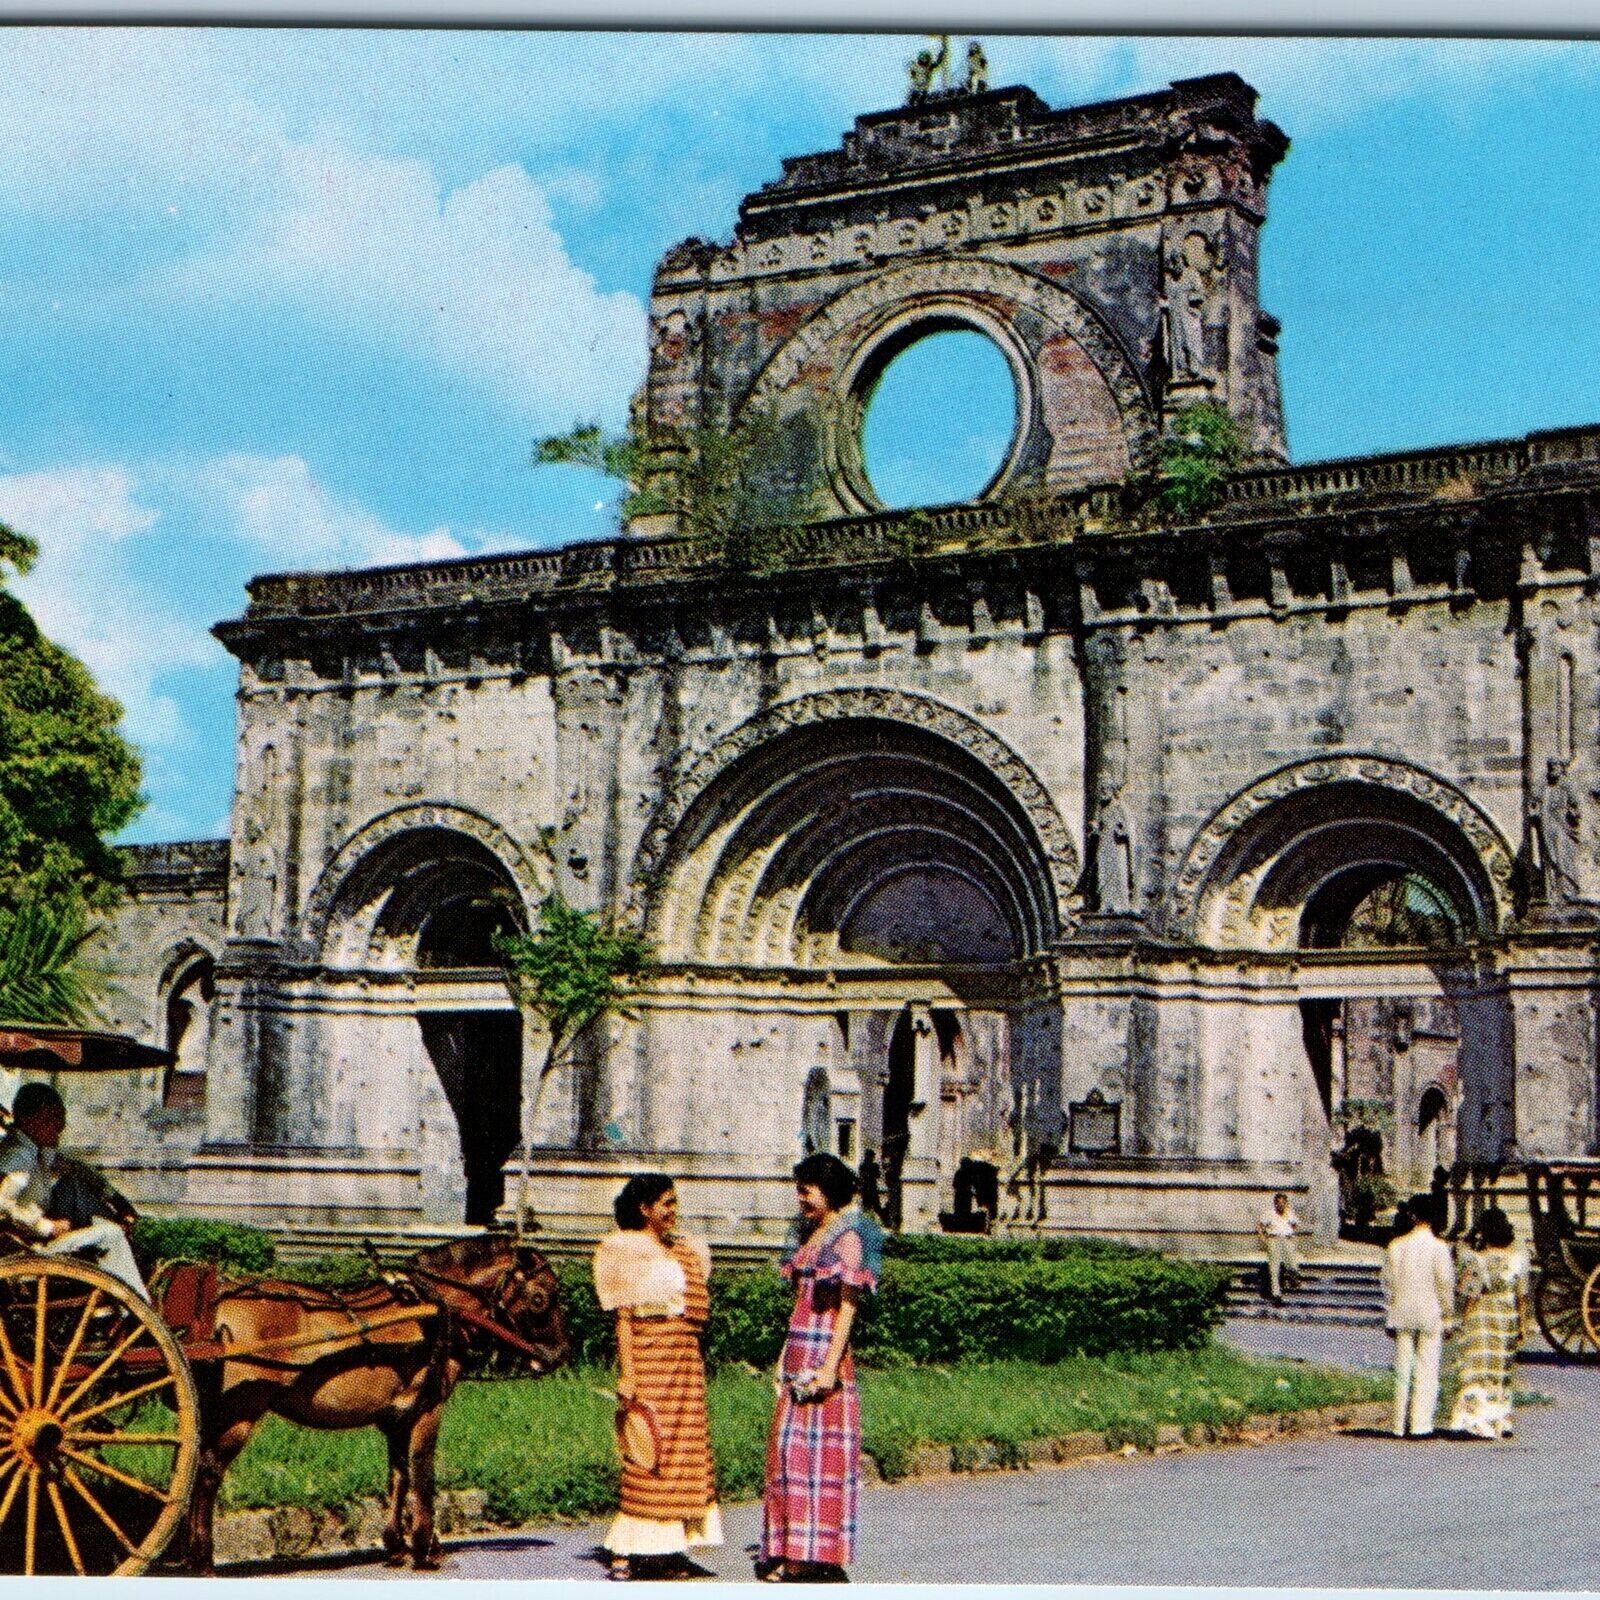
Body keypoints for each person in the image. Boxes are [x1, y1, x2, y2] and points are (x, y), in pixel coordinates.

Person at [760, 1153, 884, 1583]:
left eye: (806, 1190)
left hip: (825, 1351)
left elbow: (846, 1308)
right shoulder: (812, 1237)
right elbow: (799, 1304)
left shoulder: (848, 1237)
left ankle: (811, 1557)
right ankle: (785, 1548)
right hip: (799, 1347)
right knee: (785, 1456)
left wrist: (831, 1366)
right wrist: (781, 1358)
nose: (801, 1199)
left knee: (816, 1462)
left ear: (827, 1190)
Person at [592, 1174, 720, 1580]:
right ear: (644, 1209)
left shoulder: (686, 1250)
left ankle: (670, 1547)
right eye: (666, 1203)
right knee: (649, 1451)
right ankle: (630, 1549)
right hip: (650, 1361)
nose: (673, 1210)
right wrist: (628, 1374)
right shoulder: (625, 1249)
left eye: (675, 1202)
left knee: (683, 1454)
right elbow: (624, 1318)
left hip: (684, 1365)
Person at [0, 1083, 148, 1299]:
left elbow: (78, 1171)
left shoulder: (37, 1150)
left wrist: (119, 1202)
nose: (61, 1127)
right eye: (53, 1119)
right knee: (111, 1235)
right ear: (31, 1121)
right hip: (29, 1252)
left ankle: (122, 1231)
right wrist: (47, 1227)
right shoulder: (19, 1155)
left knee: (72, 1184)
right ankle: (138, 1308)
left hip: (34, 1244)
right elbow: (2, 1205)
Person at [1447, 1207, 1529, 1439]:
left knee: (1476, 1369)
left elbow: (1471, 1295)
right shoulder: (1519, 1259)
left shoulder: (1477, 1261)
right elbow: (1522, 1296)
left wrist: (1462, 1320)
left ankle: (1475, 1419)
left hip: (1483, 1317)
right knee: (1500, 1370)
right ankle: (1501, 1419)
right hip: (1507, 1317)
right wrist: (1522, 1324)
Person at [1381, 1194, 1456, 1438]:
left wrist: (1390, 1311)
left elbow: (1388, 1283)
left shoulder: (1396, 1246)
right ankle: (1420, 1423)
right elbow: (1444, 1284)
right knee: (1427, 1368)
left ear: (1412, 1216)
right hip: (1430, 1311)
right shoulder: (1439, 1248)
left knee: (1403, 1368)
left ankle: (1398, 1422)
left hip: (1402, 1310)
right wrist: (1448, 1315)